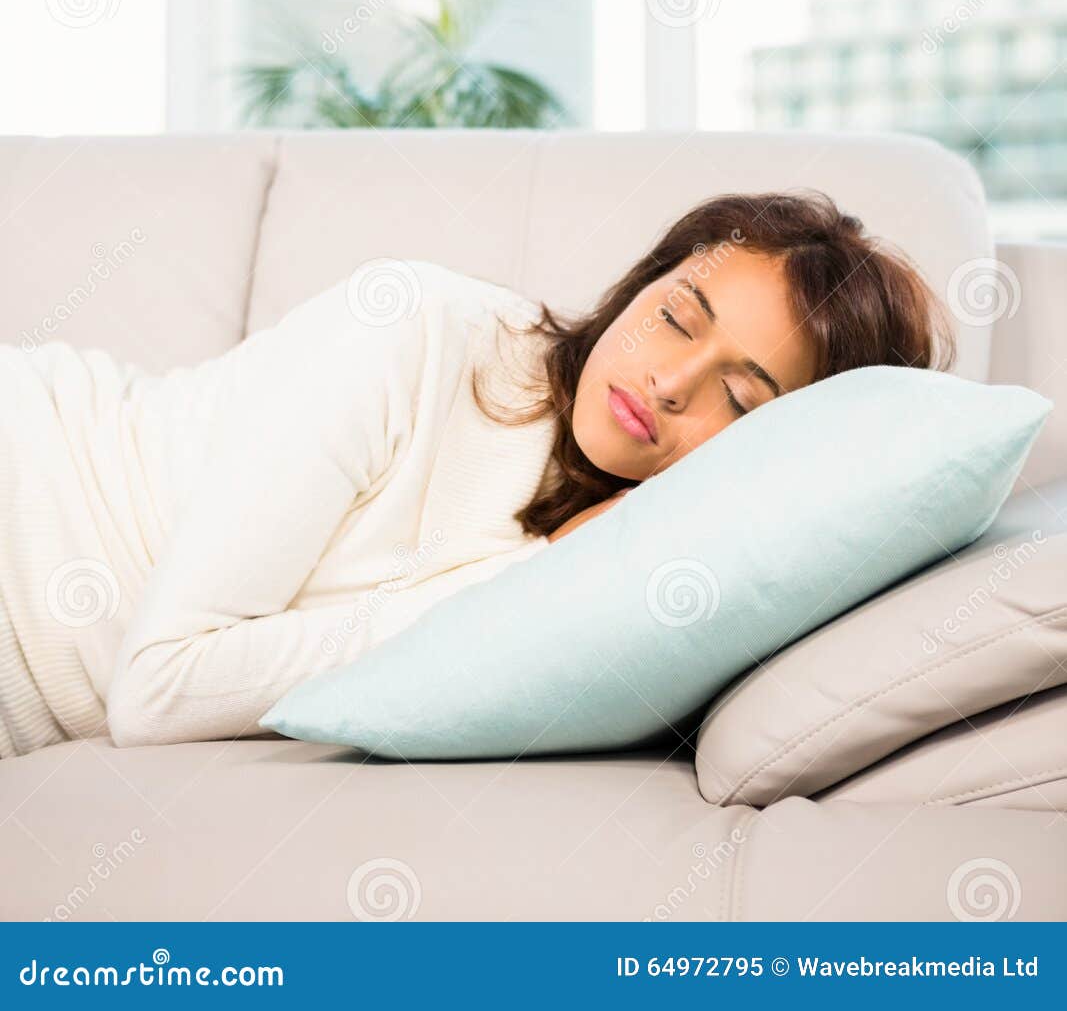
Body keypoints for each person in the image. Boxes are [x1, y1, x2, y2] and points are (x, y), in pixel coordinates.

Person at [0, 189, 952, 758]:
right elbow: (159, 692)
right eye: (676, 315)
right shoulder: (415, 331)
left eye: (738, 402)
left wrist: (561, 576)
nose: (665, 385)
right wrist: (526, 583)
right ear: (643, 282)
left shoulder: (642, 577)